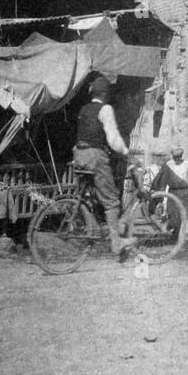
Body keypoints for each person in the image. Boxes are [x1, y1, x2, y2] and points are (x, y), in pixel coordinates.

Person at [73, 76, 135, 260]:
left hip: (79, 154)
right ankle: (116, 242)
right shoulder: (105, 109)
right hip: (95, 156)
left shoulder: (84, 109)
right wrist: (125, 152)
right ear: (106, 94)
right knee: (112, 200)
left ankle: (94, 227)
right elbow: (113, 138)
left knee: (95, 195)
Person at [151, 142, 188, 234]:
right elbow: (162, 178)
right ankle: (174, 234)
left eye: (179, 157)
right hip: (173, 192)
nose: (177, 159)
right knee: (172, 213)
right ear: (173, 156)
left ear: (181, 156)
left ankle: (181, 234)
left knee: (182, 213)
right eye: (175, 157)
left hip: (183, 192)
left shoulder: (186, 164)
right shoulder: (168, 164)